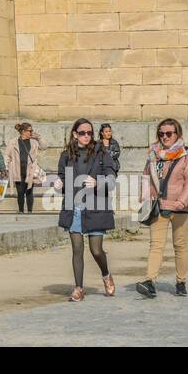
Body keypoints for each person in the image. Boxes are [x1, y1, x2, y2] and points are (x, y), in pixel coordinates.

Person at [53, 118, 117, 301]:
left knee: (96, 250)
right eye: (82, 133)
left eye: (89, 132)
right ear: (75, 134)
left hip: (96, 206)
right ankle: (79, 288)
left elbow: (112, 180)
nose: (86, 136)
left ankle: (106, 274)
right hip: (73, 207)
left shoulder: (101, 153)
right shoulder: (66, 155)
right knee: (77, 248)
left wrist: (98, 183)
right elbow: (62, 180)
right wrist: (58, 185)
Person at [136, 118, 188, 298]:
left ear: (177, 134)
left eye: (169, 133)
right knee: (155, 245)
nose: (165, 137)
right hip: (159, 205)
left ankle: (181, 282)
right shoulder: (153, 154)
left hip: (181, 208)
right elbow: (146, 176)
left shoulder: (186, 154)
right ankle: (150, 281)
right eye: (161, 134)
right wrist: (145, 196)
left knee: (180, 245)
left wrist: (182, 201)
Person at [3, 122, 44, 213]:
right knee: (20, 193)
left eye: (31, 130)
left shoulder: (34, 142)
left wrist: (39, 137)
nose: (31, 132)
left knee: (29, 192)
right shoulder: (13, 142)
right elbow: (7, 155)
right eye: (30, 130)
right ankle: (21, 211)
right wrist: (5, 166)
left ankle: (30, 211)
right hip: (18, 170)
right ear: (23, 131)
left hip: (30, 171)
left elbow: (44, 146)